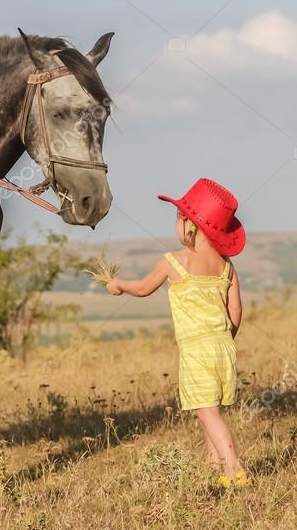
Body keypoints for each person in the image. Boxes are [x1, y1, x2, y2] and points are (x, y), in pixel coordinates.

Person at [106, 178, 251, 488]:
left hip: (197, 350)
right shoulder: (227, 267)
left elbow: (144, 288)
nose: (176, 224)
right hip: (224, 345)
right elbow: (236, 311)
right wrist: (225, 338)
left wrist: (119, 285)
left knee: (207, 413)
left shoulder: (175, 262)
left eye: (178, 217)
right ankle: (216, 469)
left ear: (191, 226)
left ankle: (234, 469)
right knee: (212, 410)